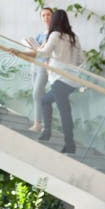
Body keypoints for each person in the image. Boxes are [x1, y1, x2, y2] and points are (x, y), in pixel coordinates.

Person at [27, 9, 83, 153]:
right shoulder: (74, 37)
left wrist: (32, 50)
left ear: (55, 20)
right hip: (71, 80)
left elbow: (44, 53)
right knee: (45, 100)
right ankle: (47, 132)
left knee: (65, 112)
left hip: (59, 79)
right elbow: (80, 61)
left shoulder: (55, 35)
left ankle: (70, 145)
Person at [28, 7, 52, 133]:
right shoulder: (40, 35)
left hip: (45, 66)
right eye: (43, 15)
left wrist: (39, 49)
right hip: (35, 66)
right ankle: (44, 124)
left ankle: (38, 123)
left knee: (37, 93)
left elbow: (46, 51)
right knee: (38, 95)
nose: (46, 17)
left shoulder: (54, 34)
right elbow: (35, 51)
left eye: (48, 15)